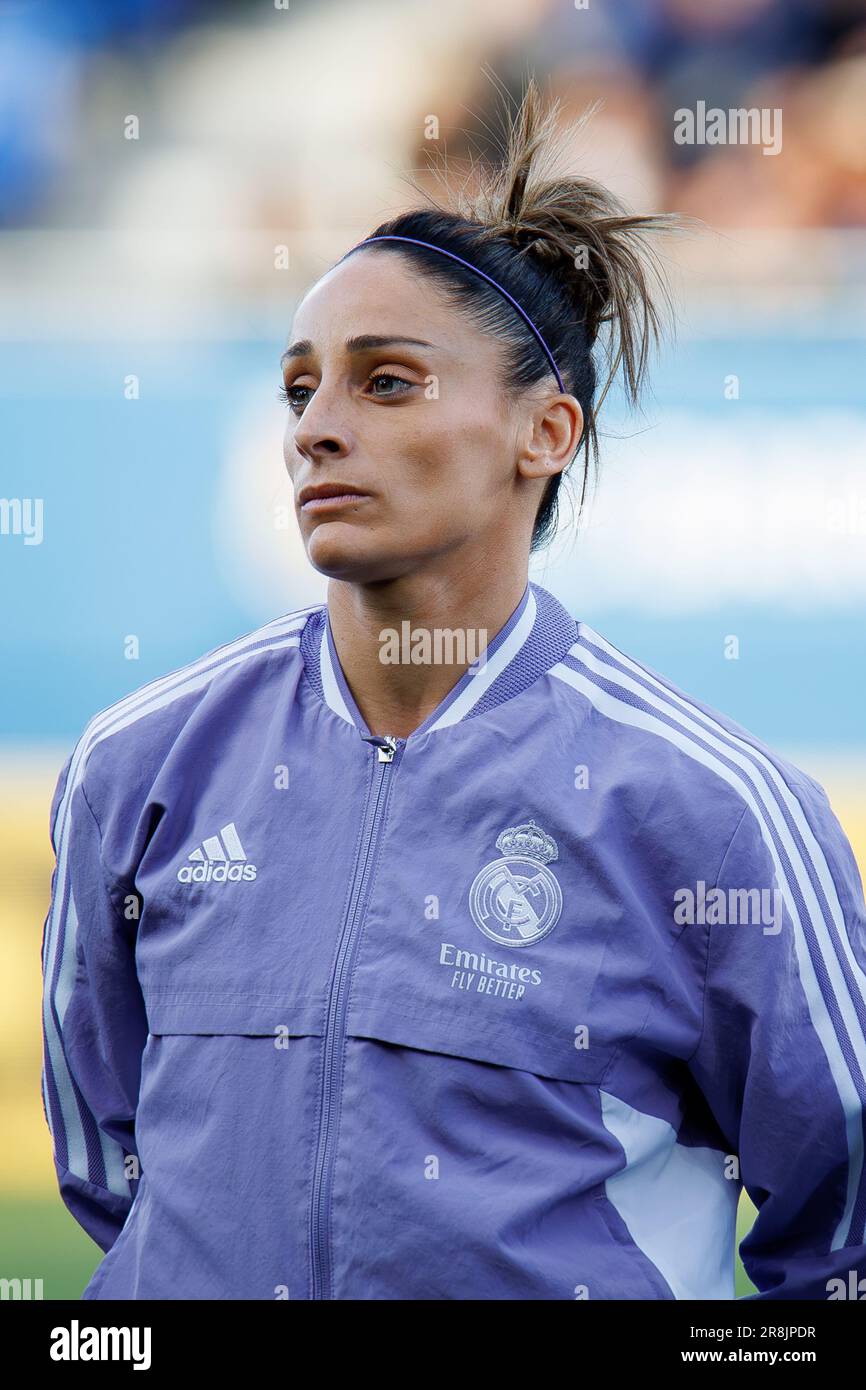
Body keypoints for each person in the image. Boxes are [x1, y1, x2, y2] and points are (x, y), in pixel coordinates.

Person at [41, 79, 866, 1301]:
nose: (316, 426)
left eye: (385, 382)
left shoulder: (716, 810)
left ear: (545, 432)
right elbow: (112, 1170)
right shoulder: (140, 763)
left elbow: (839, 1235)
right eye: (298, 385)